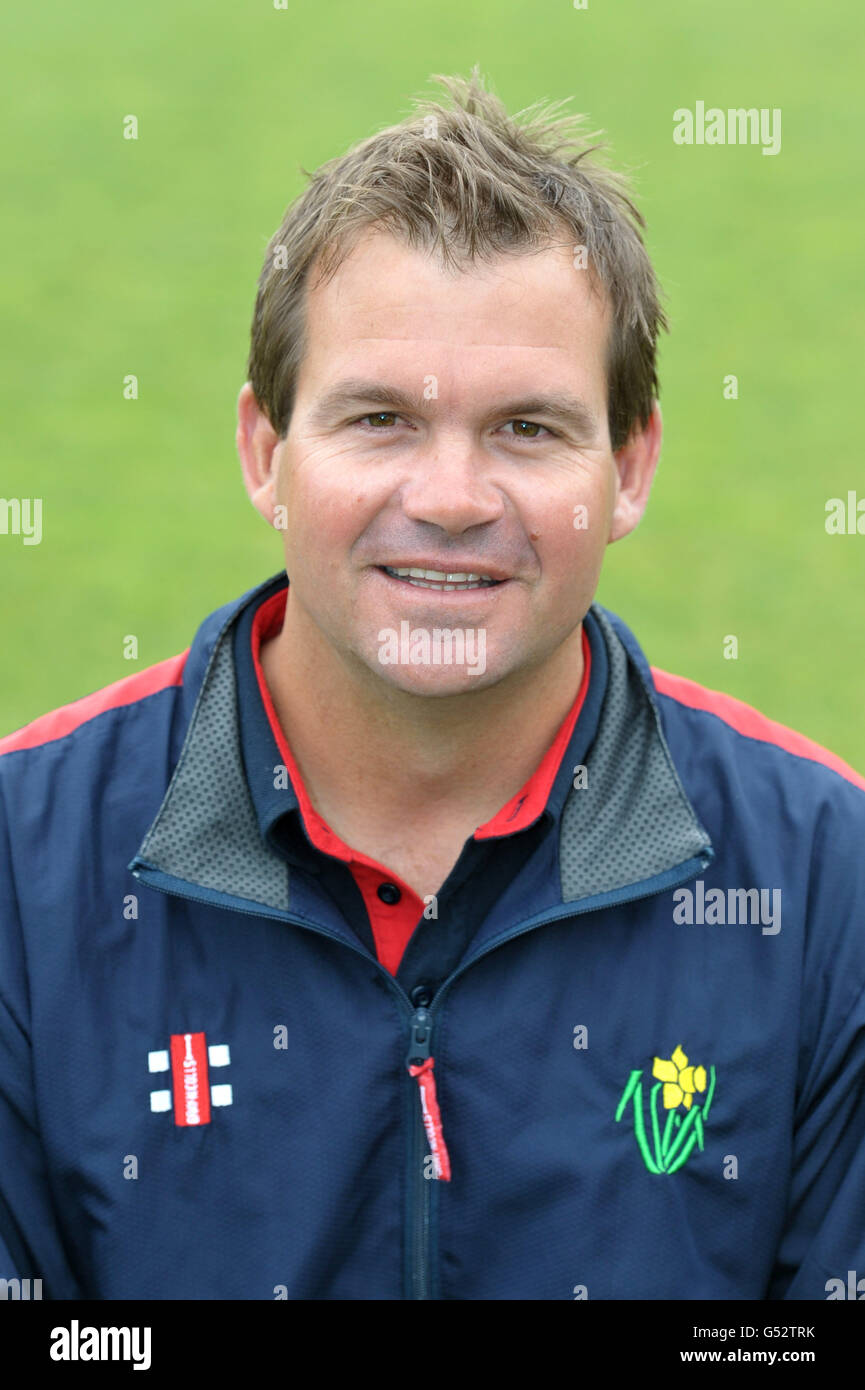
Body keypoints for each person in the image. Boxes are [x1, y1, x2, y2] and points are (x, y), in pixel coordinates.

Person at [1, 70, 864, 1302]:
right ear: (266, 451)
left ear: (628, 468)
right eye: (379, 421)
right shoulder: (22, 876)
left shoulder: (828, 884)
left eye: (527, 428)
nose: (452, 499)